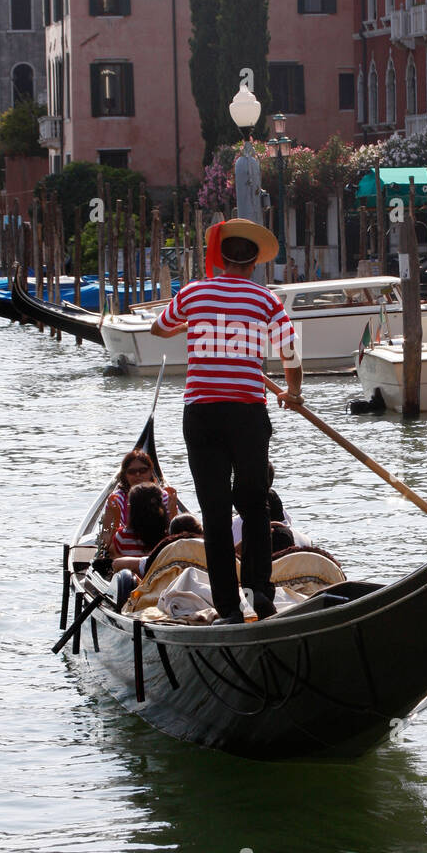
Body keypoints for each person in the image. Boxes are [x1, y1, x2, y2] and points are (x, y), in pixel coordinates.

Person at [150, 217, 303, 625]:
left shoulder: (194, 293)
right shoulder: (265, 300)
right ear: (255, 261)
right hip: (247, 413)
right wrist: (293, 392)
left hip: (202, 414)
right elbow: (290, 351)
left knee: (214, 513)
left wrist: (193, 324)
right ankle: (260, 593)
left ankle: (229, 608)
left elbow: (157, 329)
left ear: (220, 257)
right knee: (253, 505)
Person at [99, 450, 177, 561]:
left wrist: (173, 509)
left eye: (143, 470)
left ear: (150, 472)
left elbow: (170, 531)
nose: (138, 475)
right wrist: (115, 517)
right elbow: (106, 536)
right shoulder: (116, 499)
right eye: (132, 471)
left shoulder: (163, 497)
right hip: (126, 551)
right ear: (125, 475)